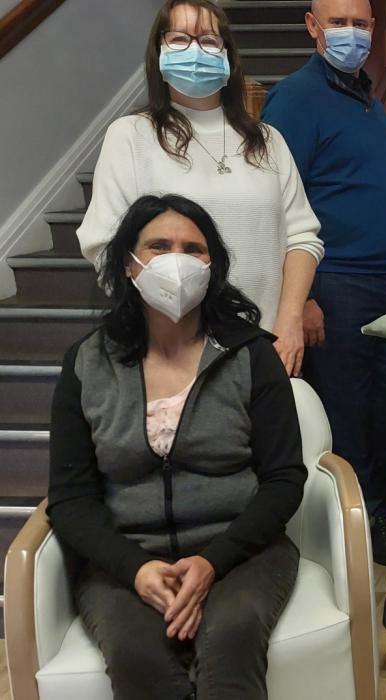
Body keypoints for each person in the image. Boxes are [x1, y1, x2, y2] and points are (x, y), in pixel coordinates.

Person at [48, 194, 306, 700]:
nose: (176, 260)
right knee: (136, 656)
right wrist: (135, 569)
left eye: (193, 249)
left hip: (242, 550)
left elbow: (284, 480)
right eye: (159, 246)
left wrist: (213, 562)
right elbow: (71, 498)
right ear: (129, 264)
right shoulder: (86, 362)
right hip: (126, 559)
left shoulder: (251, 353)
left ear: (212, 266)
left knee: (231, 637)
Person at [76, 0, 323, 376]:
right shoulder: (130, 137)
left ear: (227, 54)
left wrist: (289, 324)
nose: (195, 50)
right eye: (179, 38)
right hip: (167, 353)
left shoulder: (268, 141)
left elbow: (303, 238)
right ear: (159, 51)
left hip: (265, 347)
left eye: (209, 40)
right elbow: (107, 246)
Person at [261, 0, 386, 561]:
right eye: (338, 22)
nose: (351, 33)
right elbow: (275, 204)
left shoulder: (369, 100)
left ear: (373, 29)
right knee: (348, 414)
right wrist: (301, 299)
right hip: (338, 283)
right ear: (312, 27)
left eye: (360, 23)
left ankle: (381, 517)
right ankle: (357, 534)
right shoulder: (295, 98)